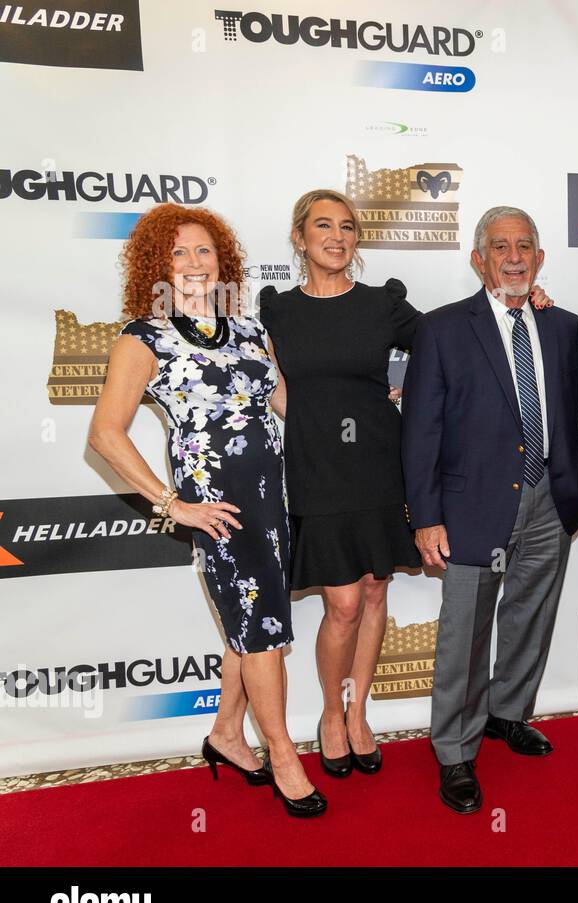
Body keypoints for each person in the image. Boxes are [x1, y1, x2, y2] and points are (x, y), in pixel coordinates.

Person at [89, 203, 324, 817]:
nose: (194, 264)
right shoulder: (145, 337)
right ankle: (281, 752)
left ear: (223, 259)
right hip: (218, 509)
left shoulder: (249, 330)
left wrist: (368, 423)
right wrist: (174, 506)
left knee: (248, 625)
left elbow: (284, 406)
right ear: (156, 267)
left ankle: (225, 733)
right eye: (178, 254)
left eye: (204, 251)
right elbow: (106, 435)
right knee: (264, 630)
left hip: (274, 501)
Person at [402, 206, 578, 814]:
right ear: (477, 258)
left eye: (525, 246)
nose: (513, 256)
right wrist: (426, 516)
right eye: (500, 245)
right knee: (464, 633)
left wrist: (575, 481)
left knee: (530, 615)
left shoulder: (562, 325)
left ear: (539, 257)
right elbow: (420, 432)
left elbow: (574, 410)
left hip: (548, 499)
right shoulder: (441, 330)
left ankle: (508, 714)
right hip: (470, 507)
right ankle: (455, 752)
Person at [259, 188, 423, 779]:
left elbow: (447, 348)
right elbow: (272, 385)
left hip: (379, 462)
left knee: (376, 591)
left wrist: (521, 304)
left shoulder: (383, 304)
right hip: (316, 469)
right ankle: (331, 712)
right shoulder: (276, 308)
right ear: (300, 238)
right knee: (344, 602)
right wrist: (303, 423)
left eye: (348, 227)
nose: (337, 236)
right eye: (323, 226)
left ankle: (359, 714)